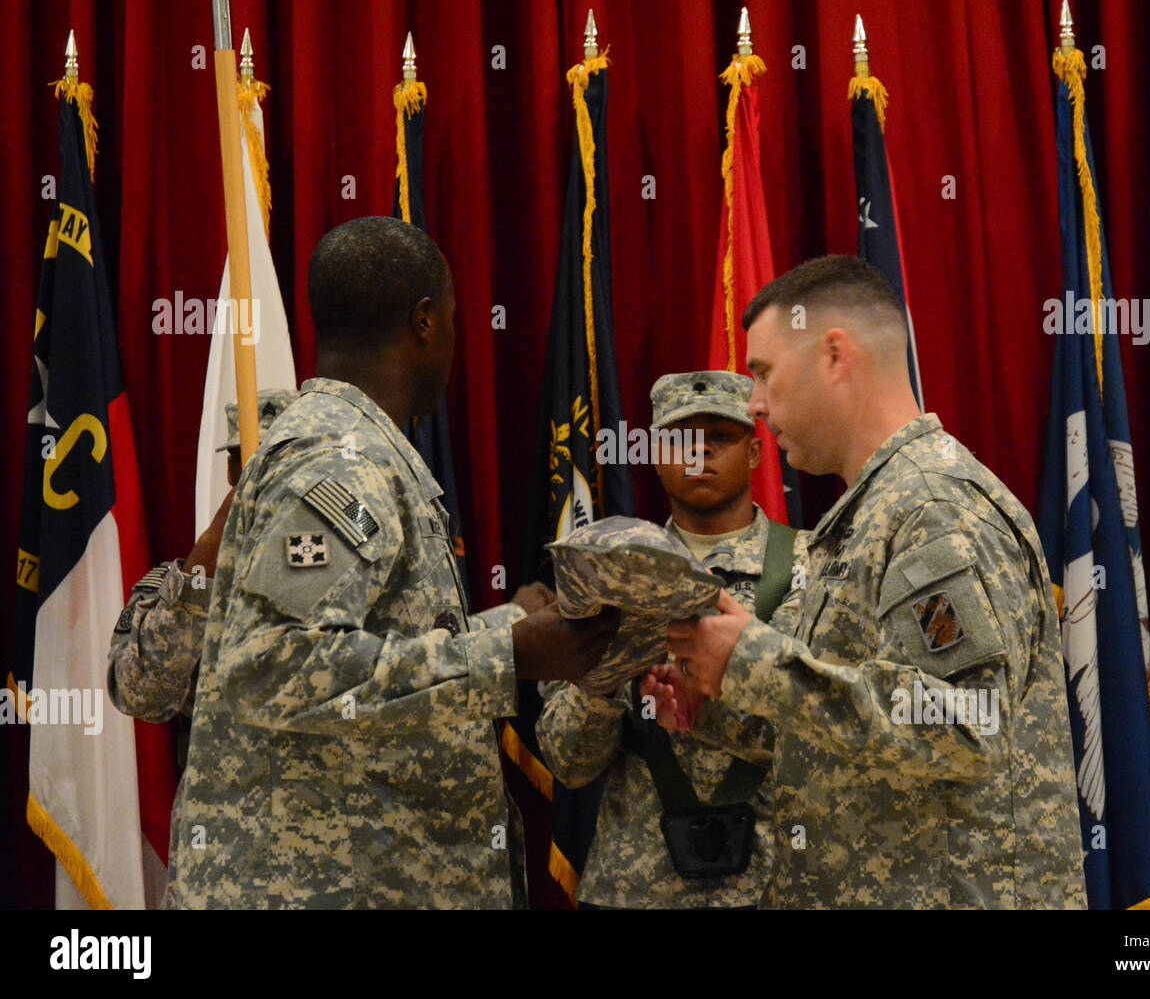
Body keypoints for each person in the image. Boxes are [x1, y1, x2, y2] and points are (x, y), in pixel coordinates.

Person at [165, 216, 617, 909]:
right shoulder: (340, 459)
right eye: (457, 319)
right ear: (425, 322)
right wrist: (506, 655)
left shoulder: (358, 448)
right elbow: (274, 665)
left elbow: (363, 643)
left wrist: (503, 625)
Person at [649, 256, 1086, 908]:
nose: (757, 405)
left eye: (763, 373)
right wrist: (710, 704)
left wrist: (753, 660)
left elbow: (968, 723)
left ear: (834, 355)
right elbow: (838, 736)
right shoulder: (870, 514)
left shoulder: (932, 508)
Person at [537, 371, 806, 908]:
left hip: (780, 886)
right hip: (636, 887)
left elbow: (834, 734)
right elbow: (567, 763)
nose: (698, 451)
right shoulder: (603, 572)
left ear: (755, 454)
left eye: (720, 437)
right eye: (680, 438)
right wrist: (606, 679)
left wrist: (705, 704)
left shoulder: (812, 569)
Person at [107, 390, 297, 729]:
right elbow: (139, 695)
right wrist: (209, 558)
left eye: (285, 463)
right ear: (231, 470)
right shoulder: (186, 583)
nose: (268, 480)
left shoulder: (347, 564)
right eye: (253, 463)